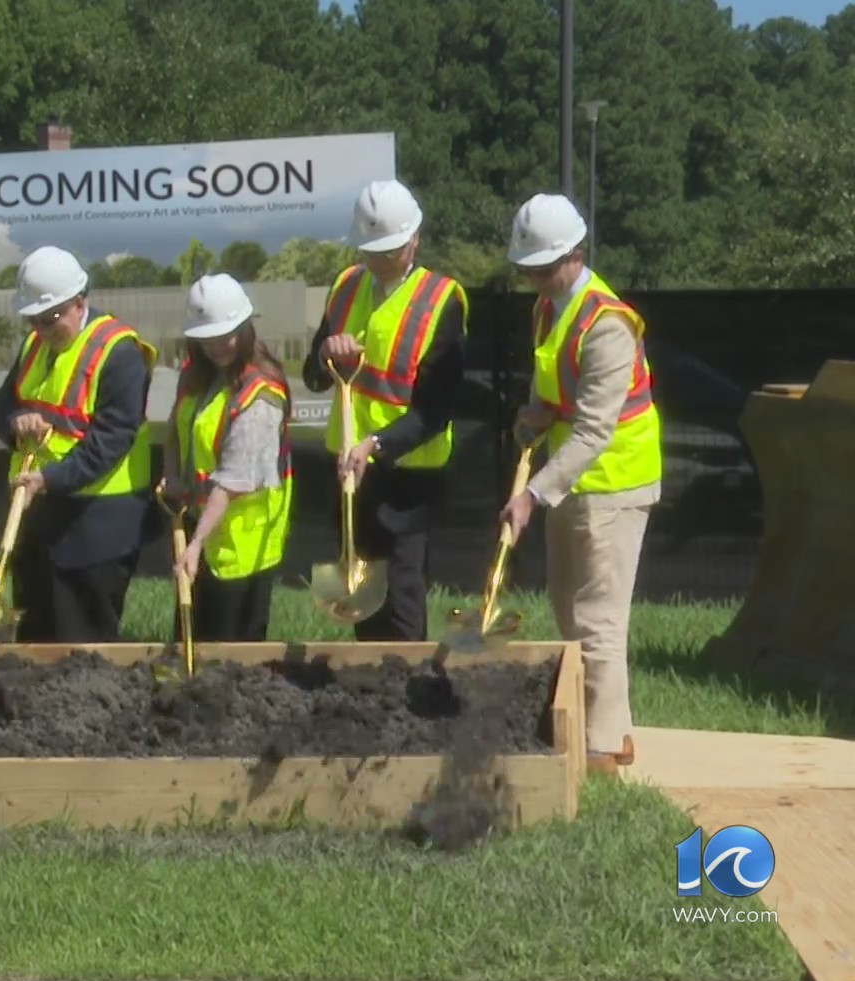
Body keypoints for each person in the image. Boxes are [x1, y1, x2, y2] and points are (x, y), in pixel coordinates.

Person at [500, 193, 661, 775]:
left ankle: (601, 752)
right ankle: (604, 732)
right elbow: (560, 387)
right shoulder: (549, 308)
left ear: (575, 254)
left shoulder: (608, 324)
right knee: (567, 607)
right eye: (528, 272)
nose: (536, 281)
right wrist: (539, 411)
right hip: (572, 480)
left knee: (599, 620)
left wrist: (532, 494)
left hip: (615, 482)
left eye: (544, 270)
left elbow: (596, 428)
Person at [301, 178, 468, 641]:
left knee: (403, 597)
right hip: (351, 475)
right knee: (360, 596)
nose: (378, 261)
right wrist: (326, 356)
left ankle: (403, 689)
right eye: (371, 251)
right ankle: (367, 690)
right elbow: (315, 375)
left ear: (414, 239)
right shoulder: (346, 286)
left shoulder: (442, 301)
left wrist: (376, 444)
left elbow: (435, 411)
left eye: (389, 250)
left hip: (409, 477)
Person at [0, 245, 156, 644]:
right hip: (39, 519)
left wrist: (48, 479)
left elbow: (110, 441)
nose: (42, 330)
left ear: (80, 302)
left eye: (51, 319)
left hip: (97, 526)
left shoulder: (119, 354)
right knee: (36, 640)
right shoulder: (34, 347)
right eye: (34, 321)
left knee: (84, 644)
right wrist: (16, 421)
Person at [163, 274, 294, 642]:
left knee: (232, 652)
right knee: (189, 637)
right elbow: (175, 431)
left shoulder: (260, 394)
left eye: (227, 336)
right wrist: (172, 478)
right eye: (207, 339)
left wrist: (196, 544)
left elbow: (235, 478)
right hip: (198, 527)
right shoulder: (196, 376)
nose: (218, 346)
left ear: (246, 328)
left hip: (241, 543)